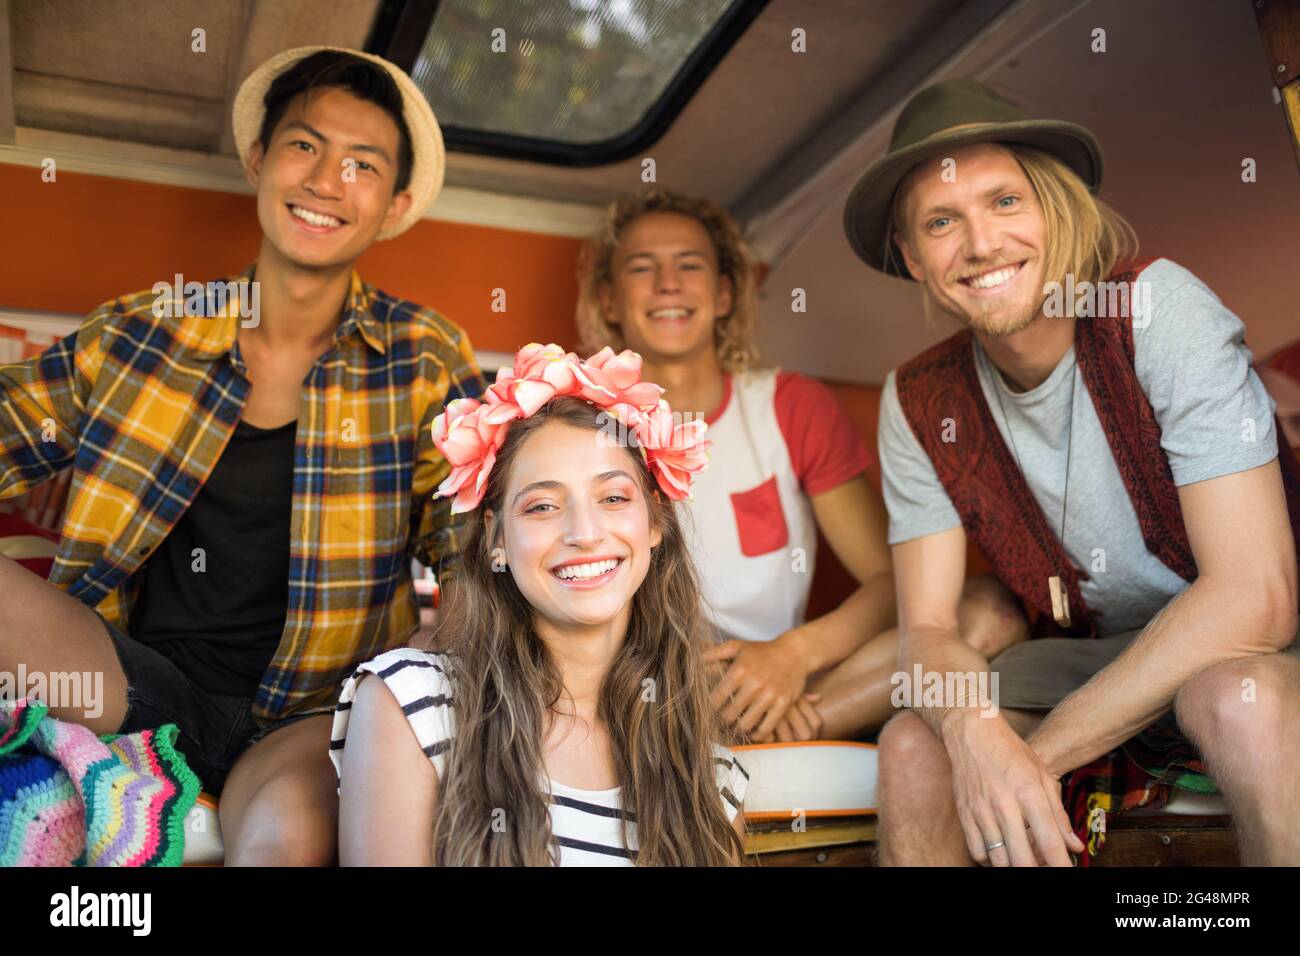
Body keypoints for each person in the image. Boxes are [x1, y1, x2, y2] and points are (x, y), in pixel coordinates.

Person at [0, 47, 487, 864]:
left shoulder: (424, 355)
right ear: (261, 159)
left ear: (395, 203)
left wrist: (450, 663)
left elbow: (475, 537)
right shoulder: (144, 331)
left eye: (362, 164)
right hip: (136, 683)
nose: (327, 181)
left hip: (314, 714)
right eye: (304, 146)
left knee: (281, 842)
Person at [844, 79, 1300, 865]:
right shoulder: (916, 399)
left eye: (1005, 203)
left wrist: (1031, 759)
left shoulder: (1157, 308)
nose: (980, 244)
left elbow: (1257, 599)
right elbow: (928, 631)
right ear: (915, 258)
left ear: (1057, 212)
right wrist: (972, 729)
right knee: (913, 747)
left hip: (1250, 643)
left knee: (1232, 699)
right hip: (1089, 651)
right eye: (943, 222)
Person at [574, 190, 1026, 742]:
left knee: (988, 611)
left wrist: (791, 656)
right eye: (642, 268)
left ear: (722, 295)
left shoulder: (790, 407)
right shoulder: (578, 428)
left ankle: (749, 741)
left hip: (785, 681)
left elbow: (893, 583)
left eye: (689, 266)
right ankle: (730, 738)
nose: (668, 283)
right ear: (610, 301)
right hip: (645, 693)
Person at [330, 344, 749, 865]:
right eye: (543, 506)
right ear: (496, 539)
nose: (584, 532)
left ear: (655, 522)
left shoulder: (712, 776)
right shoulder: (414, 702)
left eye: (613, 498)